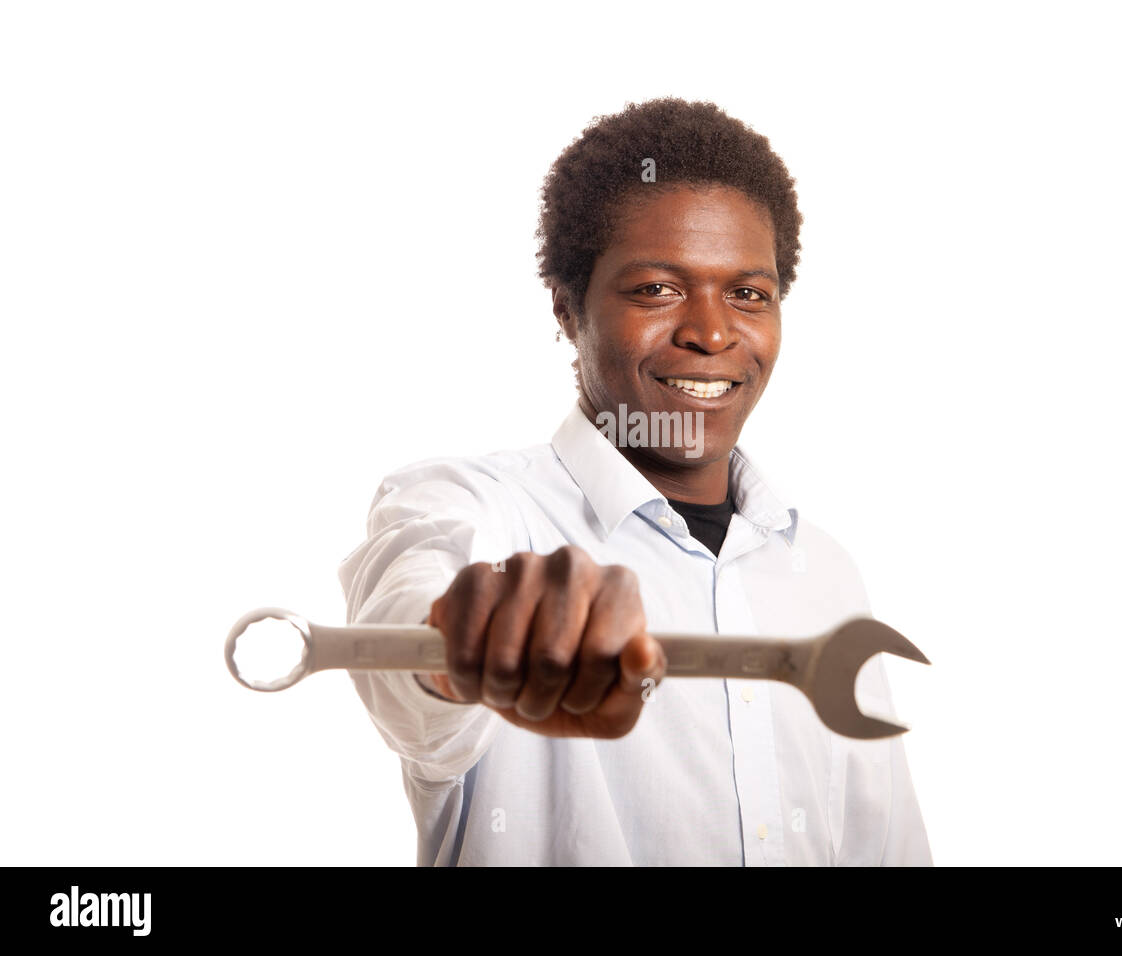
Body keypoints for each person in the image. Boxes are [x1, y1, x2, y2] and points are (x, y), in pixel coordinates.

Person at [338, 97, 932, 865]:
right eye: (658, 289)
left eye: (749, 293)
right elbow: (407, 636)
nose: (713, 333)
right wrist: (470, 641)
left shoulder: (823, 571)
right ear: (566, 306)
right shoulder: (473, 509)